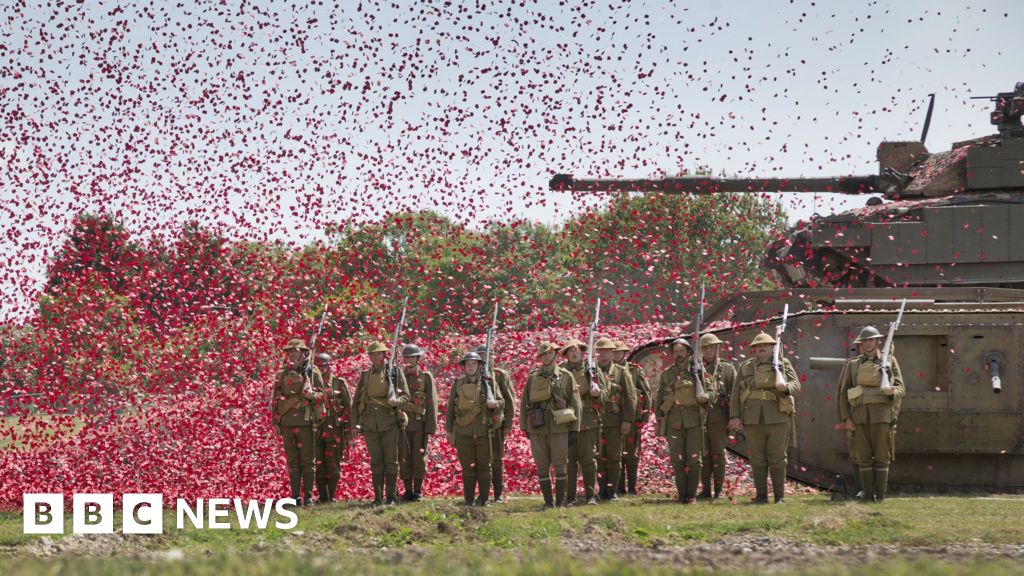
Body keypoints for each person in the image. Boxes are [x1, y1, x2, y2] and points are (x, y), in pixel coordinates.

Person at [728, 332, 800, 504]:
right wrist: (735, 416)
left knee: (777, 458)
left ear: (772, 347)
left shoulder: (783, 365)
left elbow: (796, 385)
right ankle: (761, 496)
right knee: (757, 458)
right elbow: (736, 393)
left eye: (765, 345)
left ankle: (779, 497)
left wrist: (784, 387)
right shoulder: (746, 367)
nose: (761, 348)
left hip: (777, 416)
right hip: (752, 418)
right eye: (757, 346)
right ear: (753, 349)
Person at [837, 326, 905, 502]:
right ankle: (868, 496)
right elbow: (843, 393)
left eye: (871, 340)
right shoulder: (853, 365)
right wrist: (847, 418)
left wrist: (892, 392)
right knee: (863, 458)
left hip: (881, 416)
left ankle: (880, 496)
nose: (868, 343)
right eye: (865, 340)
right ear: (860, 344)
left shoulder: (890, 362)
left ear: (878, 341)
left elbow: (901, 388)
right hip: (859, 417)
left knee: (882, 457)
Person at [520, 342, 581, 508]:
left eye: (549, 353)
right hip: (537, 428)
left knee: (561, 466)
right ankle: (548, 503)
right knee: (541, 466)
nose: (546, 357)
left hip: (559, 427)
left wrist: (574, 429)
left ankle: (560, 503)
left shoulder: (566, 376)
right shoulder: (533, 377)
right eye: (543, 354)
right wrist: (525, 427)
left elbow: (575, 404)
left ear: (555, 355)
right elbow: (525, 402)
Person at [353, 341, 410, 507]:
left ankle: (391, 498)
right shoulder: (365, 374)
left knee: (391, 461)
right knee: (376, 462)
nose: (375, 357)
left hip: (389, 421)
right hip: (370, 423)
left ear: (384, 355)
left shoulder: (394, 372)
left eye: (378, 354)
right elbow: (357, 400)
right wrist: (355, 423)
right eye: (372, 354)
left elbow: (406, 396)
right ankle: (378, 499)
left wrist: (396, 402)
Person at [445, 351, 504, 506]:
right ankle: (469, 500)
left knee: (484, 466)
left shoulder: (489, 383)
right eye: (468, 364)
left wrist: (494, 405)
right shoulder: (458, 384)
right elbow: (451, 408)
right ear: (464, 367)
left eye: (474, 364)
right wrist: (449, 431)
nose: (470, 367)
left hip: (483, 431)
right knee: (467, 468)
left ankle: (484, 499)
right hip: (463, 432)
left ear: (479, 366)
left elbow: (501, 402)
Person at [271, 339, 325, 506]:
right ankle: (295, 497)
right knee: (293, 461)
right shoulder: (282, 373)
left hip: (305, 421)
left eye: (295, 351)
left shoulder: (311, 371)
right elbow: (275, 398)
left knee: (307, 461)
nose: (292, 354)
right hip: (287, 422)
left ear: (303, 353)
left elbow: (322, 394)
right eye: (289, 352)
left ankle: (308, 497)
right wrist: (276, 422)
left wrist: (310, 396)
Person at [654, 338, 708, 503]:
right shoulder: (667, 374)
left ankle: (691, 495)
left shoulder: (698, 371)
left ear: (688, 352)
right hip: (674, 421)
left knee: (694, 460)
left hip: (694, 420)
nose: (678, 355)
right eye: (676, 352)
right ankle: (682, 494)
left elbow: (710, 391)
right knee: (677, 460)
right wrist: (658, 419)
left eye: (681, 351)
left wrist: (705, 397)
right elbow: (659, 398)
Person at [561, 338, 607, 505]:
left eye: (577, 350)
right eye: (570, 351)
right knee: (569, 461)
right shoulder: (560, 372)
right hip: (566, 420)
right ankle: (571, 497)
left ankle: (590, 496)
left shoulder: (592, 370)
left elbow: (605, 393)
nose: (574, 353)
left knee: (588, 460)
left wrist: (597, 393)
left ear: (582, 353)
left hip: (587, 420)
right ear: (566, 355)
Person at [593, 337, 637, 500]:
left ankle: (612, 491)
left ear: (613, 353)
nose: (604, 354)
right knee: (598, 456)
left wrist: (627, 420)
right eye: (600, 351)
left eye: (607, 351)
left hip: (614, 420)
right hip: (595, 421)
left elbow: (631, 397)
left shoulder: (621, 372)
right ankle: (602, 489)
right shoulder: (591, 370)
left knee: (614, 456)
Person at [698, 333, 736, 500]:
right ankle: (706, 489)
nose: (708, 350)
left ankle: (719, 489)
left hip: (719, 416)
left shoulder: (727, 368)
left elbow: (734, 394)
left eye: (711, 346)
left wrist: (733, 417)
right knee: (703, 453)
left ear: (717, 348)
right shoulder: (695, 367)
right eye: (705, 347)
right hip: (699, 416)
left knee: (718, 453)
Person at [476, 344, 516, 503]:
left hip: (497, 424)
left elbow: (509, 400)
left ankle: (498, 492)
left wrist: (508, 424)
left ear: (493, 357)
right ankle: (483, 492)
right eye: (481, 355)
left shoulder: (499, 375)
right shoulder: (473, 376)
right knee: (481, 460)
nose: (485, 359)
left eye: (488, 355)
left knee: (497, 459)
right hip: (478, 424)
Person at [398, 344, 438, 502]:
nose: (408, 360)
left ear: (417, 359)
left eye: (411, 357)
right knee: (404, 458)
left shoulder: (426, 377)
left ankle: (417, 490)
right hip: (403, 424)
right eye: (406, 357)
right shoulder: (399, 377)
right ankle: (407, 490)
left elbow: (432, 404)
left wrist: (430, 427)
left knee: (419, 458)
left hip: (419, 425)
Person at [313, 352, 352, 504]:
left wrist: (349, 429)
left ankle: (331, 496)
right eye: (319, 366)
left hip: (335, 428)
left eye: (324, 365)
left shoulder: (338, 382)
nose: (322, 368)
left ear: (330, 366)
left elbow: (348, 406)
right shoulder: (310, 383)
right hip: (317, 428)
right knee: (318, 463)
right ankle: (322, 497)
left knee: (333, 463)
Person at [615, 340, 650, 496]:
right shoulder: (607, 370)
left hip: (632, 416)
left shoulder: (634, 370)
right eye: (613, 352)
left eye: (618, 352)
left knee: (631, 454)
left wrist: (645, 415)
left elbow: (646, 393)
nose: (616, 354)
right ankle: (619, 486)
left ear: (624, 353)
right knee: (615, 453)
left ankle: (631, 487)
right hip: (613, 416)